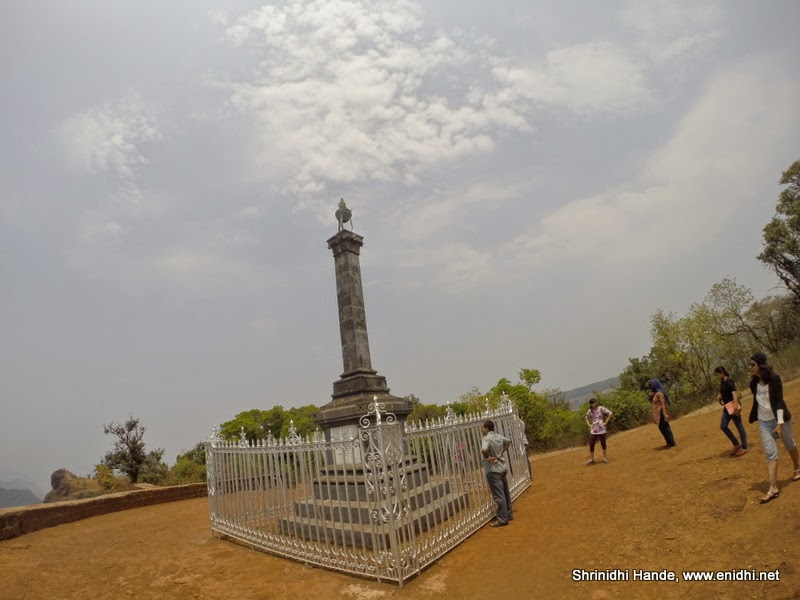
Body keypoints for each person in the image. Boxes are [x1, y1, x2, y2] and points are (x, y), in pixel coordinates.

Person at [747, 353, 800, 504]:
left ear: (760, 365)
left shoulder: (774, 379)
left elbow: (779, 401)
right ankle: (773, 488)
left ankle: (797, 468)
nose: (750, 367)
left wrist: (780, 423)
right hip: (763, 421)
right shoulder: (753, 383)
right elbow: (758, 401)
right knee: (771, 454)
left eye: (752, 364)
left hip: (779, 419)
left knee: (790, 444)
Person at [481, 420, 512, 527]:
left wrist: (488, 457)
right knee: (505, 492)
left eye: (482, 428)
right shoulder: (498, 437)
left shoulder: (486, 438)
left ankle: (502, 519)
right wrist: (502, 451)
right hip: (502, 467)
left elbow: (484, 449)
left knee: (499, 495)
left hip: (493, 469)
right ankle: (508, 514)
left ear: (487, 428)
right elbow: (508, 441)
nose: (482, 430)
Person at [714, 366, 748, 456]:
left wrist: (736, 406)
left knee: (739, 426)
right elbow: (725, 392)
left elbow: (734, 394)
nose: (717, 376)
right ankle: (736, 444)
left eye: (717, 374)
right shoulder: (723, 382)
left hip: (733, 406)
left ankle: (745, 447)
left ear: (722, 373)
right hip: (727, 407)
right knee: (723, 426)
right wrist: (720, 396)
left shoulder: (729, 382)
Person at [648, 379, 675, 448]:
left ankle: (671, 442)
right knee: (661, 427)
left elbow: (663, 405)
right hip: (658, 413)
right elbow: (650, 400)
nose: (651, 387)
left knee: (665, 427)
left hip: (661, 412)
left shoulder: (660, 394)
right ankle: (668, 442)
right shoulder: (655, 394)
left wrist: (664, 414)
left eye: (651, 385)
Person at [585, 398, 613, 465]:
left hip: (601, 428)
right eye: (593, 403)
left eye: (595, 402)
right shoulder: (590, 411)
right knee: (591, 443)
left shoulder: (601, 408)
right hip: (594, 429)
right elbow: (586, 418)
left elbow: (610, 413)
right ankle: (592, 459)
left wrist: (606, 422)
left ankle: (605, 458)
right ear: (591, 404)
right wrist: (589, 425)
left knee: (603, 443)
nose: (594, 404)